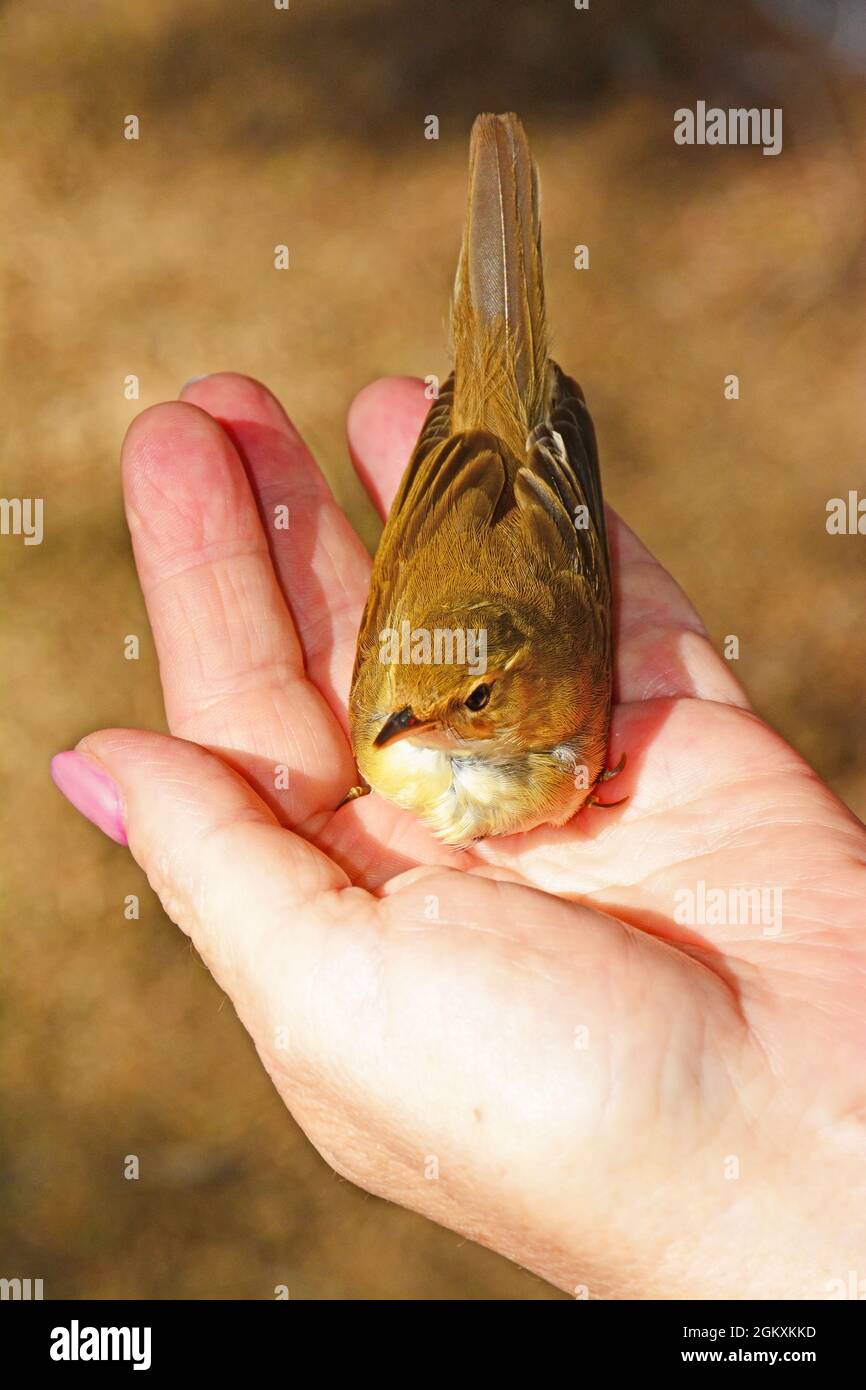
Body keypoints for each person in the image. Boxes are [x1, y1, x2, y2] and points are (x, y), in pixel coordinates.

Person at [51, 372, 866, 1300]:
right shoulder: (402, 709)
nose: (405, 724)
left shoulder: (562, 718)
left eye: (471, 705)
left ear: (518, 694)